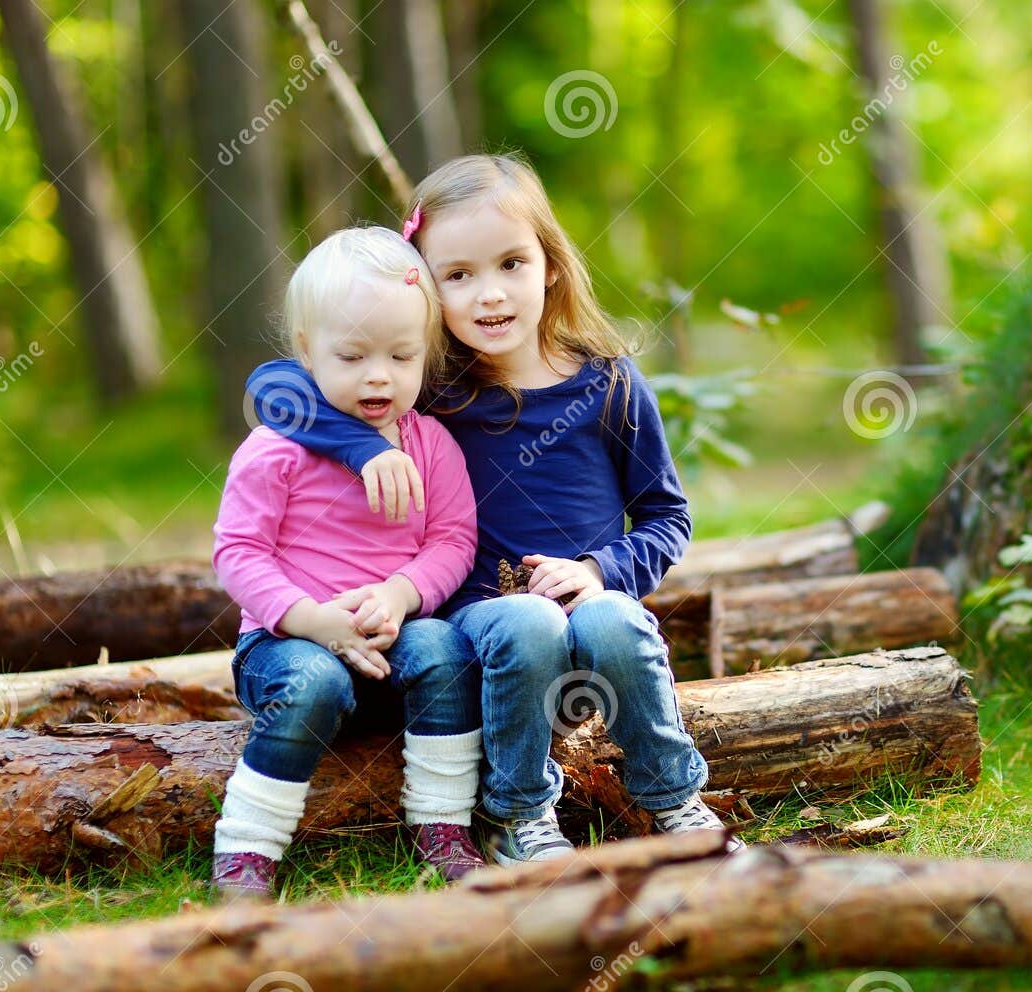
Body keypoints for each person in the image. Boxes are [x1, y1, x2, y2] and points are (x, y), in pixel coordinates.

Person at [244, 153, 741, 864]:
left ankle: (674, 798)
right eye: (458, 275)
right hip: (485, 626)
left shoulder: (610, 385)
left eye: (511, 263)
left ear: (552, 265)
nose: (491, 295)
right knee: (527, 618)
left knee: (617, 619)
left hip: (592, 613)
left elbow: (667, 516)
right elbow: (275, 387)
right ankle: (516, 812)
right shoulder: (435, 386)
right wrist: (362, 447)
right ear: (425, 293)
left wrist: (602, 570)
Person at [211, 226, 485, 902]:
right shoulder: (275, 449)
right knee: (312, 684)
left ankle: (443, 826)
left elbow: (453, 537)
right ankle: (246, 845)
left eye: (401, 355)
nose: (378, 375)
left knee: (448, 649)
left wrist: (400, 594)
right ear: (306, 351)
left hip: (394, 636)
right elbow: (238, 552)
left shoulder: (431, 444)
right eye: (353, 354)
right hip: (287, 642)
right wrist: (312, 620)